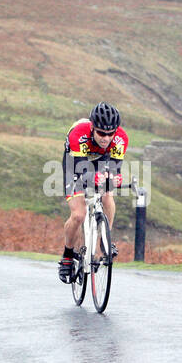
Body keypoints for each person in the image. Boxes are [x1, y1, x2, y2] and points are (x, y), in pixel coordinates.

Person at [59, 102, 128, 282]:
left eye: (110, 134)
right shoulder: (78, 134)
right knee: (78, 215)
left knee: (107, 194)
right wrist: (92, 177)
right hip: (74, 164)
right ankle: (67, 255)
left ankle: (104, 241)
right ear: (92, 127)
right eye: (101, 133)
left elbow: (115, 167)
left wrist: (114, 177)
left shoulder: (121, 139)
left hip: (100, 161)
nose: (106, 138)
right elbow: (80, 168)